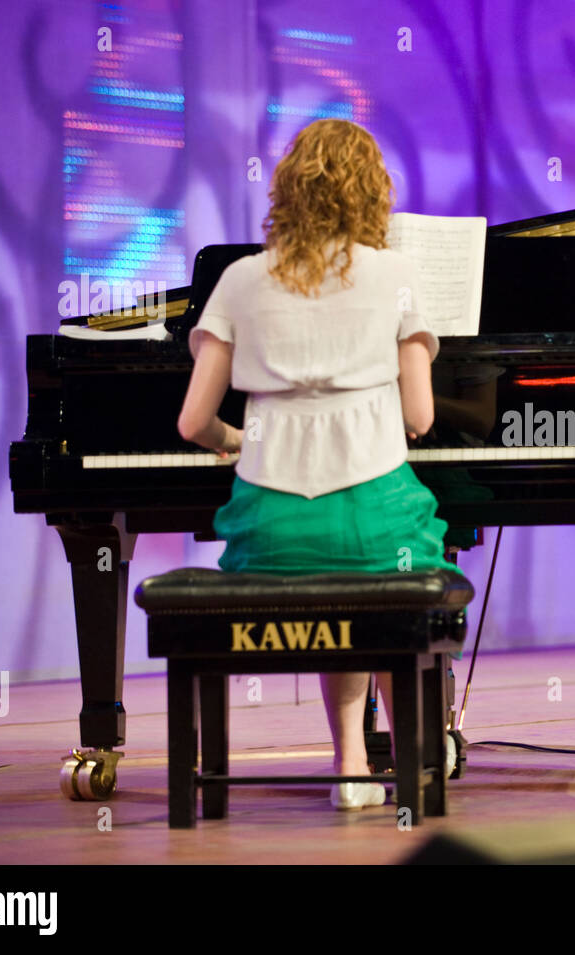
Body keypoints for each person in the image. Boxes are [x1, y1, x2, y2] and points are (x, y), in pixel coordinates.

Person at [176, 118, 457, 807]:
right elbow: (419, 416)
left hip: (270, 531)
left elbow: (192, 422)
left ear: (287, 192)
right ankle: (414, 755)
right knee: (389, 575)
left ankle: (351, 764)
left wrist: (238, 441)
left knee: (338, 572)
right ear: (372, 192)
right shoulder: (393, 274)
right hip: (371, 517)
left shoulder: (241, 280)